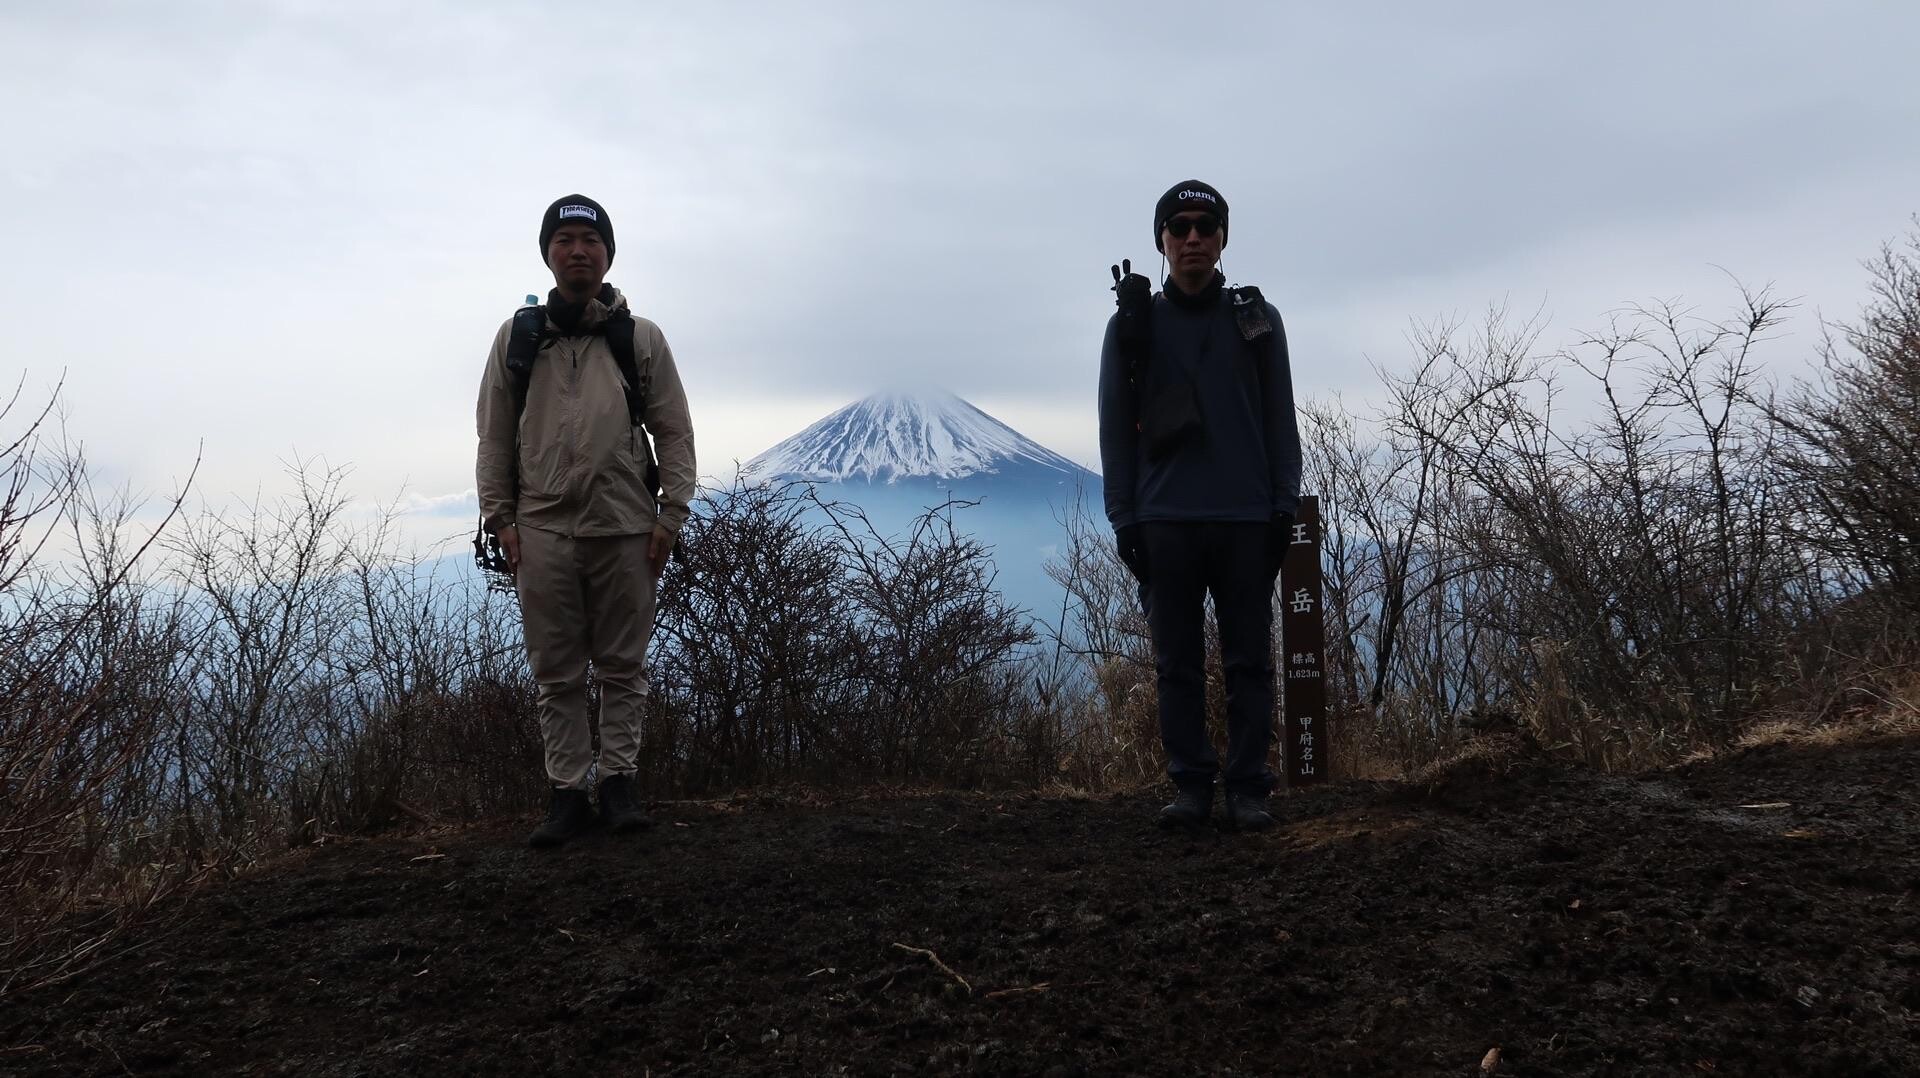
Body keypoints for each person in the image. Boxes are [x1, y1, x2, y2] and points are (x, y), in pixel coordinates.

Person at [475, 194, 697, 848]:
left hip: (626, 526)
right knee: (557, 671)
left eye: (590, 241)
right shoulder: (519, 338)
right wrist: (501, 518)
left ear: (608, 254)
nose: (578, 251)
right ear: (548, 253)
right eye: (565, 239)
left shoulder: (638, 337)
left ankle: (619, 783)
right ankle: (567, 792)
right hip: (541, 527)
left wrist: (670, 516)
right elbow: (493, 435)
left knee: (623, 666)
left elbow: (674, 431)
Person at [1097, 180, 1302, 832]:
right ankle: (1190, 786)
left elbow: (1280, 419)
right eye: (1179, 226)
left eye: (1205, 227)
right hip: (1165, 520)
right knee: (1176, 666)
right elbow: (1113, 427)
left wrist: (1283, 507)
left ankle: (1248, 788)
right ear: (1160, 239)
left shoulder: (1256, 320)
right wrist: (1124, 518)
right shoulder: (1131, 325)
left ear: (1222, 239)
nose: (1192, 238)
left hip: (1246, 518)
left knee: (1250, 663)